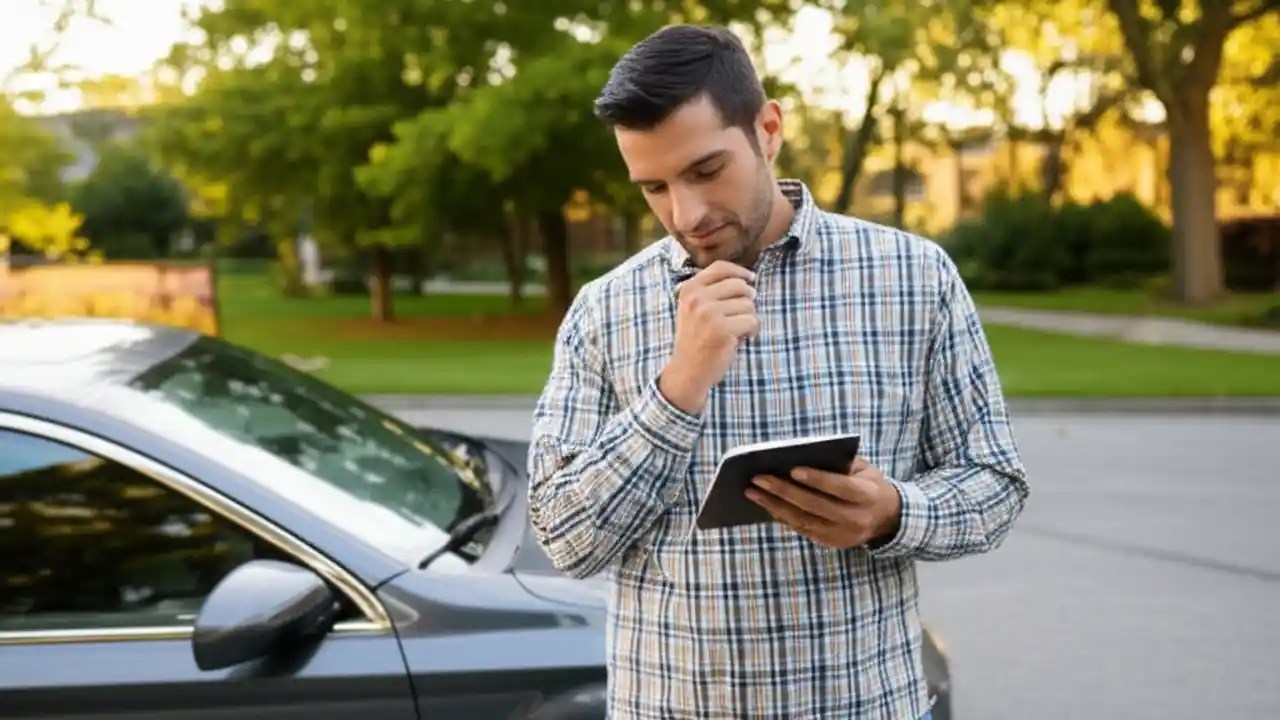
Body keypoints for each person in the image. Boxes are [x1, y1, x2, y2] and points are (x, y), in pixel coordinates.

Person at [526, 23, 1029, 720]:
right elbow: (563, 538)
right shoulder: (603, 312)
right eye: (654, 187)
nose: (687, 214)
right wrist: (678, 388)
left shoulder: (914, 278)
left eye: (706, 171)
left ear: (767, 128)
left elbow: (994, 484)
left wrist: (892, 514)